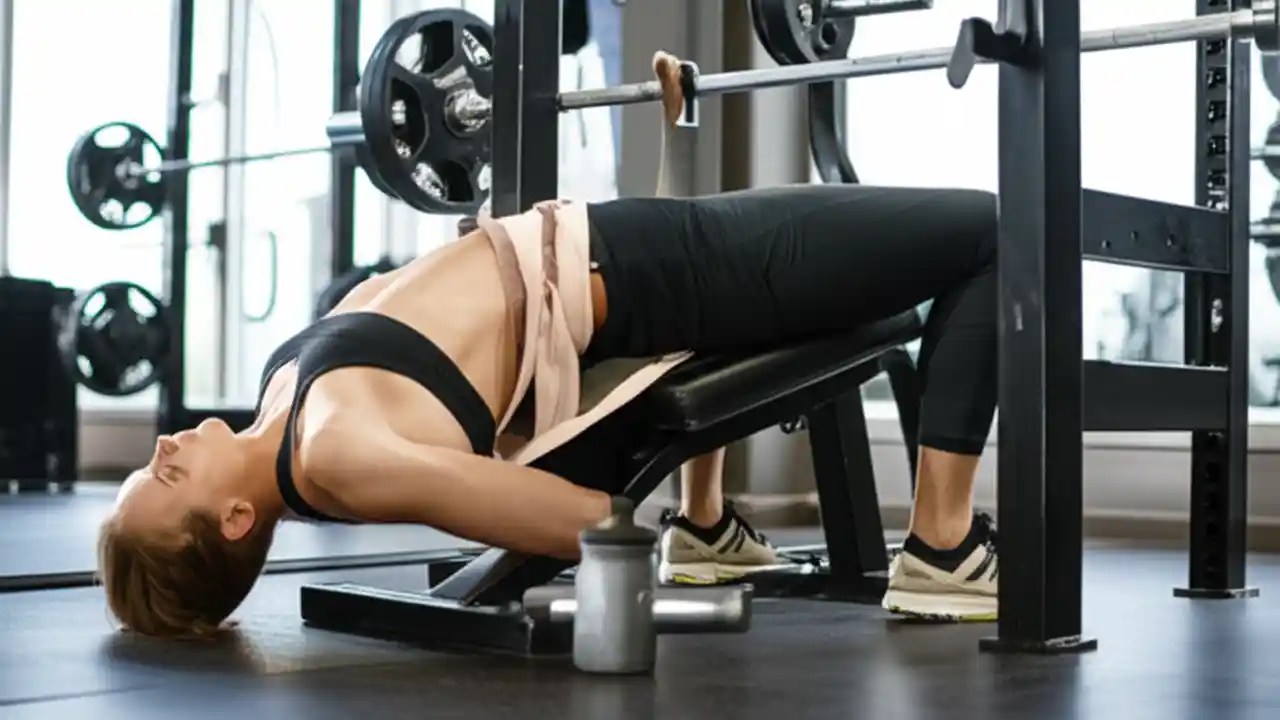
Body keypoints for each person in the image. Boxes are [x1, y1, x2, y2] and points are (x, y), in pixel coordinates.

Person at [98, 181, 999, 639]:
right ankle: (941, 550)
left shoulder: (282, 399)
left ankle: (709, 527)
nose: (168, 443)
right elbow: (587, 520)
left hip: (629, 247)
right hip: (661, 272)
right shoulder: (336, 452)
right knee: (996, 231)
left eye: (151, 459)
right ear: (235, 517)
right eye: (165, 475)